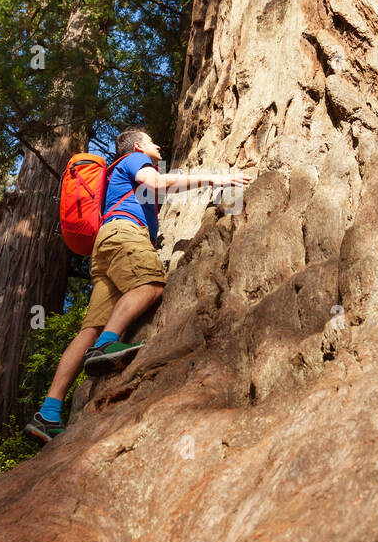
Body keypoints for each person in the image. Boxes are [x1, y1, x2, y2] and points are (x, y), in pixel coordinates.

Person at [25, 127, 251, 443]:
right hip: (123, 235)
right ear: (138, 145)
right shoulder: (134, 159)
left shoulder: (122, 177)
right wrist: (215, 179)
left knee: (87, 330)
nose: (158, 145)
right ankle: (107, 345)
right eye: (153, 140)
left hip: (106, 247)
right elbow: (157, 182)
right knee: (151, 286)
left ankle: (48, 412)